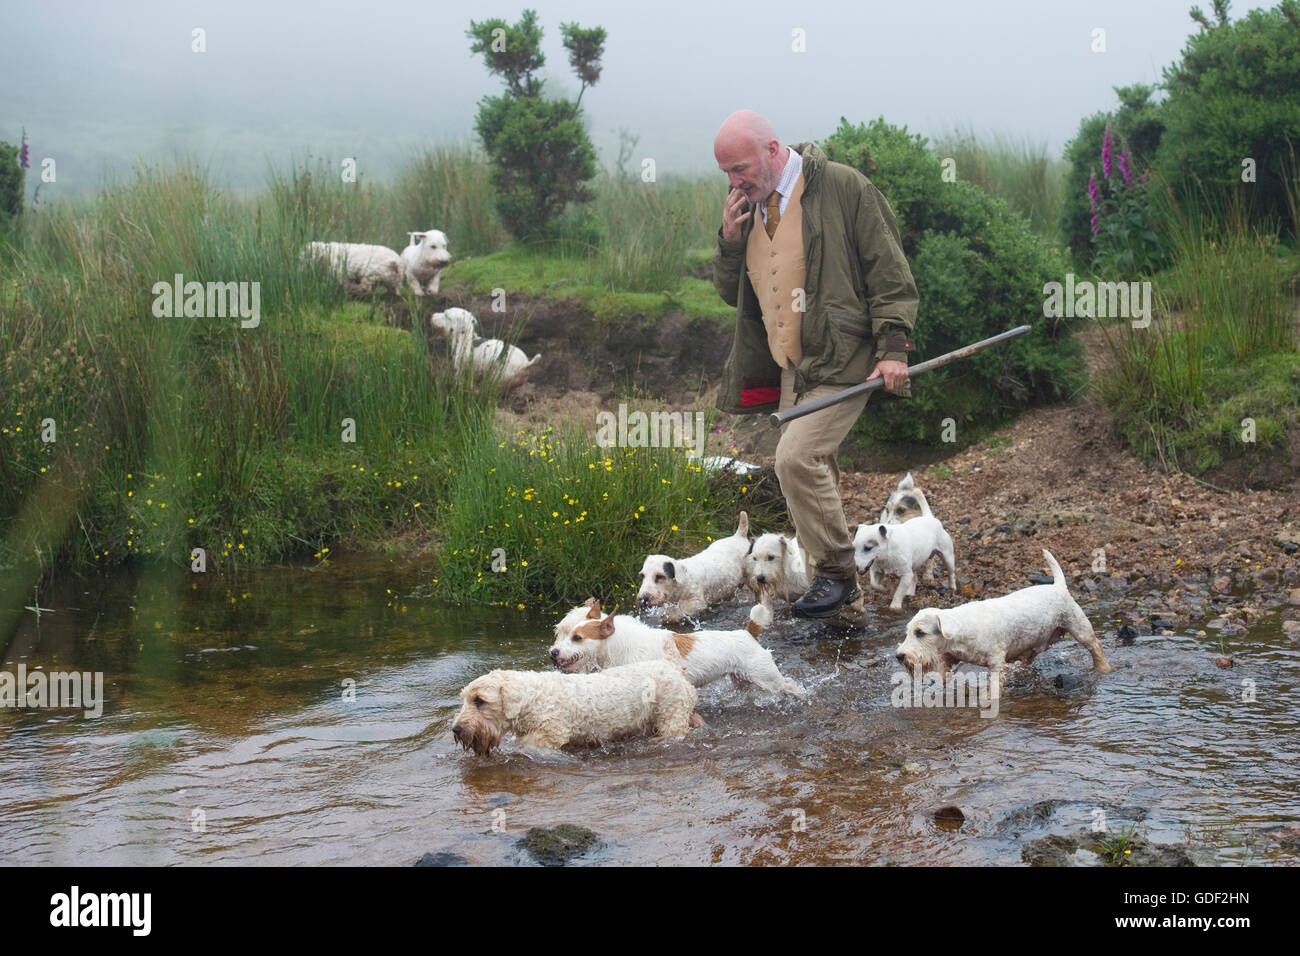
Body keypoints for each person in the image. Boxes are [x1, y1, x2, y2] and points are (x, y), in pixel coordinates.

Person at [711, 109, 919, 619]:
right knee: (815, 469)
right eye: (726, 174)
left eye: (740, 168)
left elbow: (888, 271)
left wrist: (893, 349)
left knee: (794, 458)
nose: (735, 182)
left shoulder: (844, 187)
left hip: (845, 359)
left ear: (773, 150)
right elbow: (729, 294)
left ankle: (835, 575)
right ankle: (844, 615)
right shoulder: (747, 209)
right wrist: (730, 245)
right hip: (790, 369)